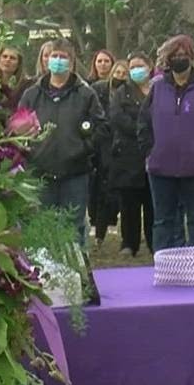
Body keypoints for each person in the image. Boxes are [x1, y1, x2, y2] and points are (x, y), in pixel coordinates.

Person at [137, 34, 194, 249]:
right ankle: (164, 265)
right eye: (175, 55)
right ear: (168, 59)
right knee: (163, 222)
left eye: (184, 54)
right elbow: (143, 123)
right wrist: (150, 151)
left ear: (191, 57)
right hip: (161, 169)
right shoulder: (157, 88)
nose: (180, 58)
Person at [19, 38, 106, 246]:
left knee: (73, 229)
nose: (58, 60)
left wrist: (83, 148)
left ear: (71, 61)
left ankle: (76, 266)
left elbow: (101, 127)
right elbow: (18, 127)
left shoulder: (86, 94)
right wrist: (30, 151)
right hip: (40, 173)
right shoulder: (32, 95)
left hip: (75, 173)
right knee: (41, 228)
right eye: (54, 56)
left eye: (63, 57)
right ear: (47, 60)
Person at [109, 54, 153, 256]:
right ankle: (129, 243)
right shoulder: (122, 93)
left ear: (150, 67)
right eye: (132, 67)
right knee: (129, 203)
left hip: (152, 152)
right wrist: (141, 129)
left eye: (140, 66)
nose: (136, 70)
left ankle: (154, 242)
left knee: (152, 202)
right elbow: (117, 117)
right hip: (127, 154)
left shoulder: (158, 90)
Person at [88, 49, 120, 249]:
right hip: (95, 140)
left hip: (114, 140)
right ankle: (95, 220)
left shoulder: (119, 88)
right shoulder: (89, 86)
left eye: (106, 61)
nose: (102, 64)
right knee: (95, 183)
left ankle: (112, 219)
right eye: (99, 61)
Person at [0, 45, 25, 114]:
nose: (8, 60)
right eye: (4, 56)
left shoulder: (24, 87)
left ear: (18, 64)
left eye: (12, 58)